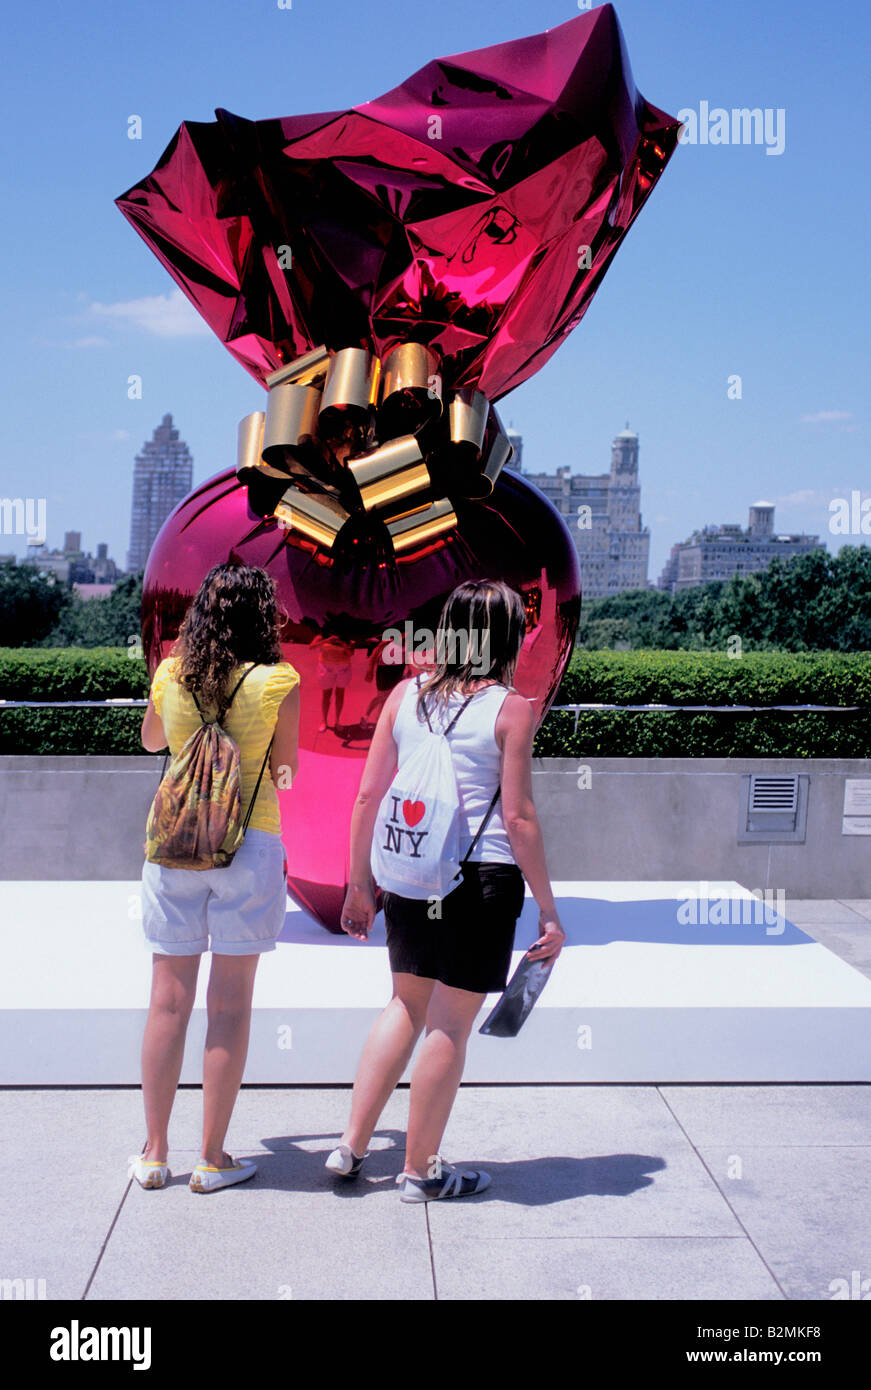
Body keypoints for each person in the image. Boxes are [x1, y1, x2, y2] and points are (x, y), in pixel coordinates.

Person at [328, 579, 565, 1201]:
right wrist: (548, 908)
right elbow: (518, 819)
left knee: (404, 1005)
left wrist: (359, 885)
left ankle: (351, 1147)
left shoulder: (405, 696)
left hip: (409, 871)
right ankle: (420, 1171)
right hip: (479, 879)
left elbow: (366, 796)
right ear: (508, 637)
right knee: (448, 1027)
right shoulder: (512, 709)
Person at [132, 563, 300, 1194]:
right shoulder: (281, 680)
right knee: (228, 1008)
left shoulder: (171, 672)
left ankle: (153, 1153)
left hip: (174, 846)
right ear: (263, 615)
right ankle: (211, 1157)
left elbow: (153, 743)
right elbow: (286, 774)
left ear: (200, 611)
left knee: (167, 1001)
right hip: (249, 846)